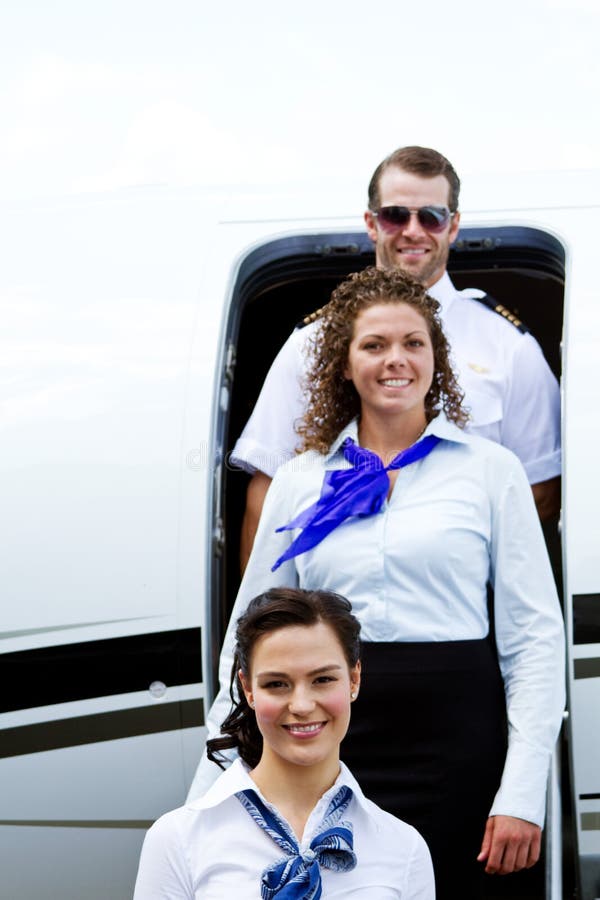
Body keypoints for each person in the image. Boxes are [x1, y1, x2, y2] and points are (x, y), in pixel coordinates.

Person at [188, 267, 566, 899]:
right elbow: (251, 638)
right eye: (374, 345)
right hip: (330, 737)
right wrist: (215, 780)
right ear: (344, 364)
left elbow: (534, 641)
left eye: (414, 343)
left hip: (461, 741)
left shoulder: (491, 471)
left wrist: (522, 793)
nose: (396, 359)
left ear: (436, 360)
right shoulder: (301, 480)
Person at [233, 145, 561, 571]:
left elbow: (542, 492)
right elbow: (268, 491)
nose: (413, 230)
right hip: (333, 589)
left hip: (456, 591)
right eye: (395, 215)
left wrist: (435, 549)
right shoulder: (311, 342)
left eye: (432, 216)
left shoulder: (509, 346)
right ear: (371, 223)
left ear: (453, 226)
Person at [133, 587, 434, 899]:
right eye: (277, 684)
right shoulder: (178, 839)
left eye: (323, 679)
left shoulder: (403, 849)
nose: (301, 705)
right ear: (248, 689)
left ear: (354, 679)